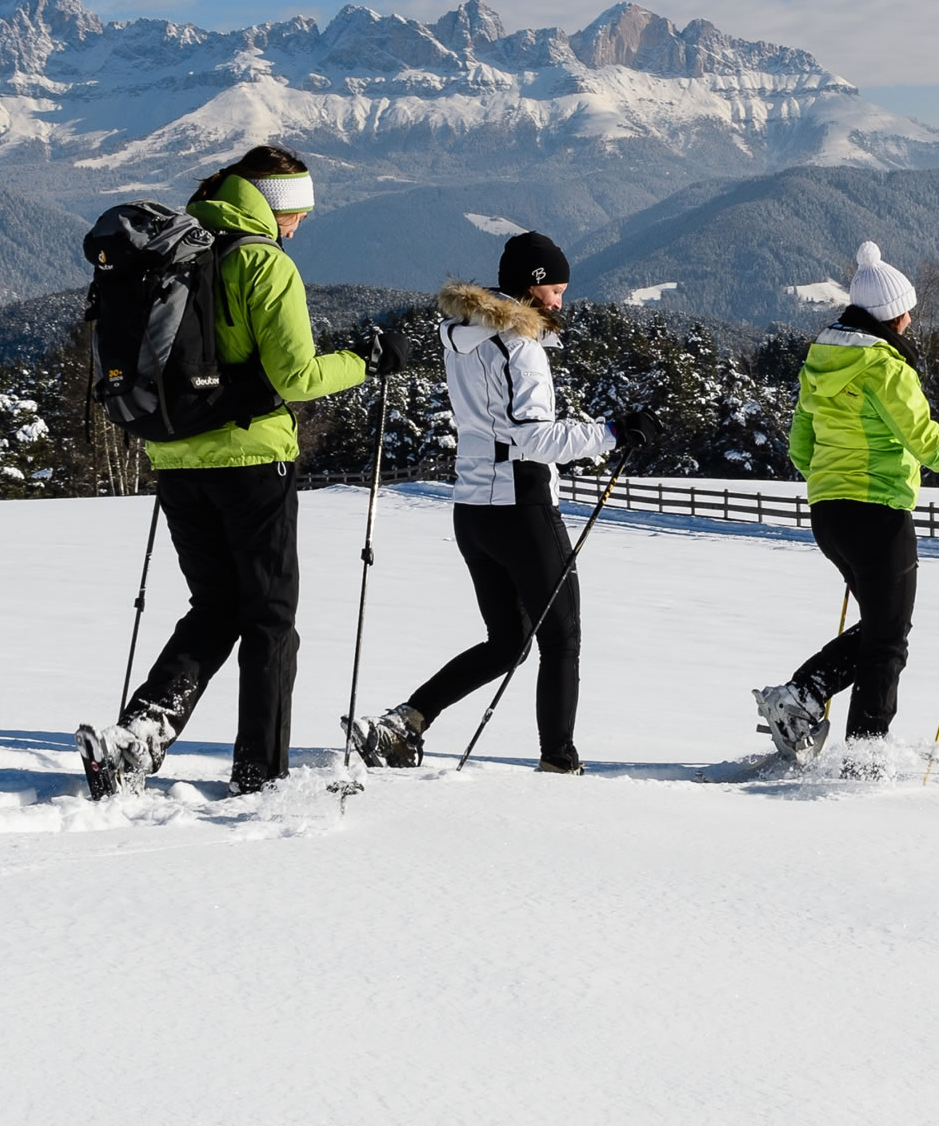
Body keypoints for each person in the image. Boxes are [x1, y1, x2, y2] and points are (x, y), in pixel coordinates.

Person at [82, 145, 401, 795]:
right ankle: (261, 772)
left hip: (175, 462)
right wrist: (367, 362)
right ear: (278, 207)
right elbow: (297, 377)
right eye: (299, 214)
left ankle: (139, 737)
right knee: (269, 620)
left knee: (215, 607)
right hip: (253, 463)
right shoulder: (263, 264)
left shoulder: (178, 254)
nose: (300, 227)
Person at [347, 232, 657, 774]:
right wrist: (611, 431)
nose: (560, 302)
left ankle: (405, 723)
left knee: (508, 640)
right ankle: (558, 761)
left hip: (472, 507)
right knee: (561, 638)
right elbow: (533, 439)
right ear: (532, 287)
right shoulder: (521, 347)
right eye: (556, 290)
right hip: (522, 505)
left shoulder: (465, 334)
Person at [753, 242, 939, 766]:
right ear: (890, 315)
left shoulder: (820, 360)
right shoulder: (886, 369)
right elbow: (936, 451)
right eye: (907, 309)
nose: (912, 318)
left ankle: (804, 697)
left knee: (883, 628)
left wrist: (838, 478)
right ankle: (866, 753)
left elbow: (800, 448)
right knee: (889, 640)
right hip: (879, 516)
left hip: (829, 514)